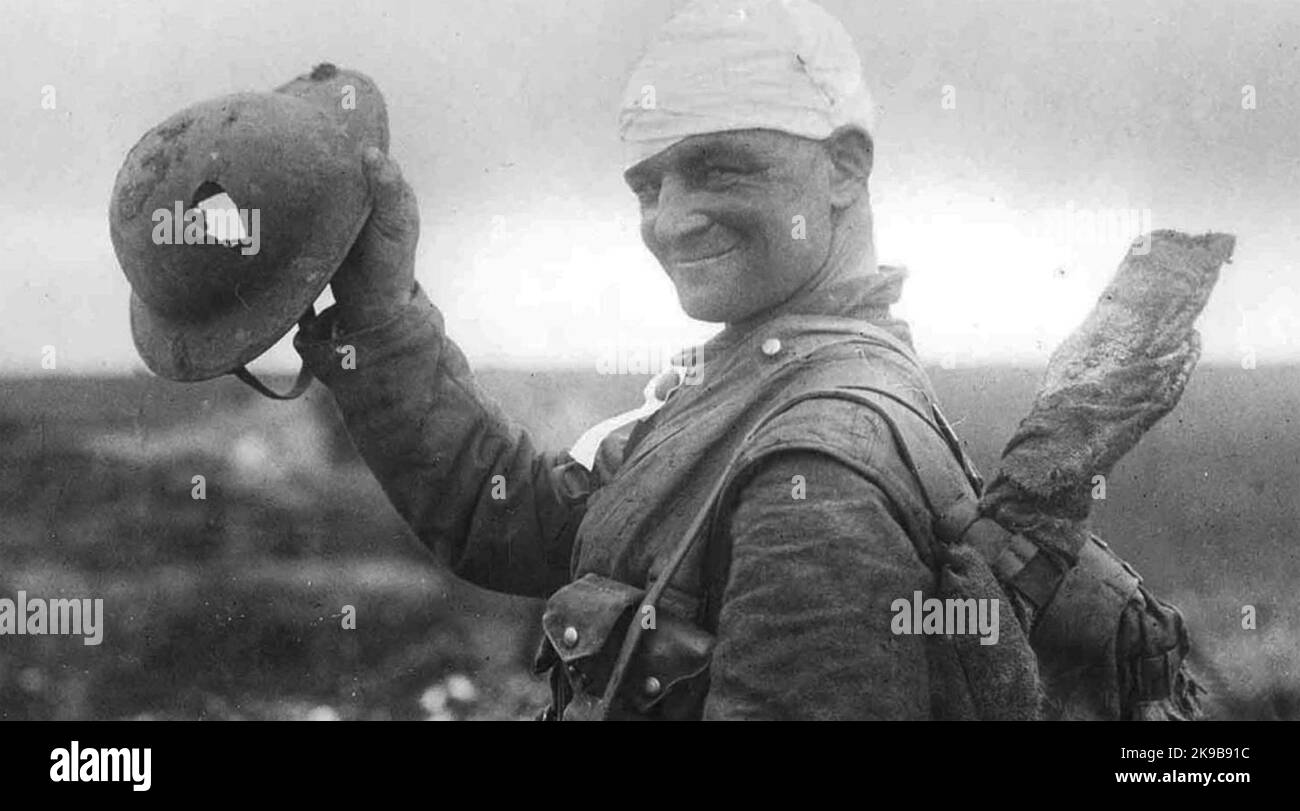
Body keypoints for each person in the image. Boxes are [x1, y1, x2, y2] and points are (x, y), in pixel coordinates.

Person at [293, 0, 1040, 720]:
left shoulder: (818, 466)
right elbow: (526, 522)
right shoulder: (753, 385)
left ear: (844, 166)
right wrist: (381, 319)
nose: (672, 220)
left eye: (720, 170)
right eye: (649, 186)